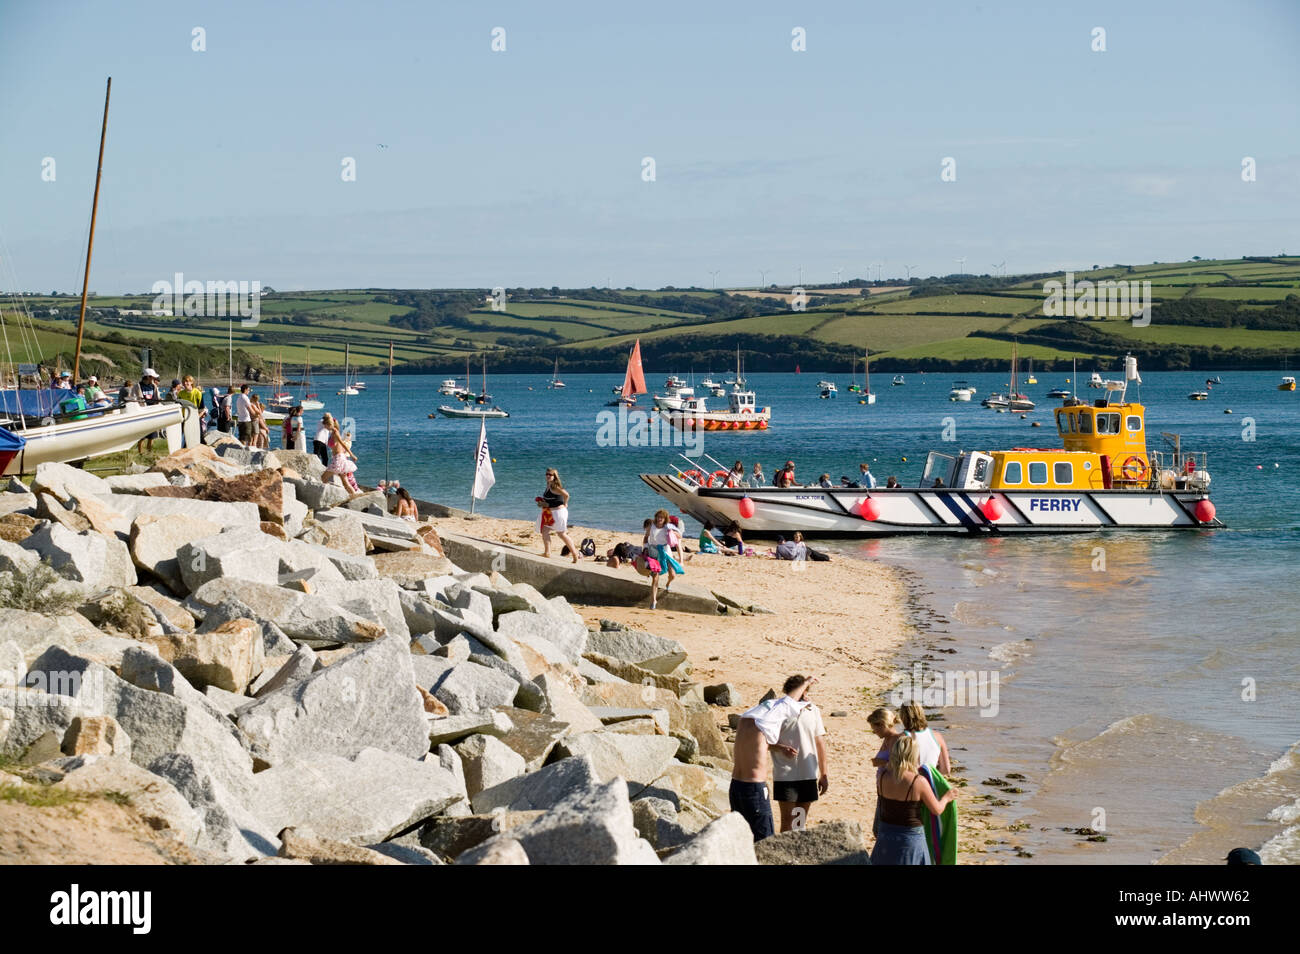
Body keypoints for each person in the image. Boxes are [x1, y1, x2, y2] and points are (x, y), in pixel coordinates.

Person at [730, 678, 816, 842]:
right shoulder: (768, 720)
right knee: (765, 843)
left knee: (742, 841)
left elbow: (759, 744)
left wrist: (779, 747)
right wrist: (806, 683)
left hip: (736, 787)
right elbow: (787, 703)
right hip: (753, 789)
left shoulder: (747, 719)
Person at [872, 735, 954, 865]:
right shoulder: (918, 781)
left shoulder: (882, 777)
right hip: (910, 838)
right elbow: (936, 810)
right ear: (913, 755)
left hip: (886, 835)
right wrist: (947, 798)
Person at [771, 675, 829, 833]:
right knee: (787, 822)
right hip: (785, 774)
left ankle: (796, 856)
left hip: (808, 773)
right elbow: (765, 741)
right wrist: (780, 747)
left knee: (800, 822)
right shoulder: (778, 710)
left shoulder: (813, 710)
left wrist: (824, 774)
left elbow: (820, 743)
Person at [869, 706, 905, 835]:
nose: (874, 732)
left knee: (881, 830)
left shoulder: (897, 740)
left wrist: (882, 763)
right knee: (878, 829)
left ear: (883, 725)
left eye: (875, 729)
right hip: (883, 790)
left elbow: (903, 767)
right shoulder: (886, 739)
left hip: (892, 791)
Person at [644, 509, 685, 609]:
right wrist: (645, 548)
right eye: (658, 517)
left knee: (672, 575)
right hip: (654, 552)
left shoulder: (668, 526)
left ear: (665, 519)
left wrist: (672, 533)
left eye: (661, 518)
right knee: (655, 577)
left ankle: (668, 584)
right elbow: (646, 537)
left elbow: (680, 536)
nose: (659, 519)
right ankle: (654, 600)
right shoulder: (651, 526)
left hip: (666, 551)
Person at [899, 700, 951, 775]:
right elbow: (946, 769)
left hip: (912, 782)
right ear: (921, 714)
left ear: (903, 717)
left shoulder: (901, 738)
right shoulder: (937, 736)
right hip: (930, 783)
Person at [537, 468, 578, 564]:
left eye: (550, 475)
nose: (548, 476)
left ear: (554, 477)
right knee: (544, 530)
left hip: (559, 513)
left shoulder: (554, 486)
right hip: (551, 512)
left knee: (562, 534)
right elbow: (552, 499)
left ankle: (575, 555)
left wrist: (565, 503)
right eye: (546, 474)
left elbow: (566, 495)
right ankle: (547, 552)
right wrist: (543, 502)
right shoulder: (548, 485)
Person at [324, 416, 359, 491]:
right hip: (337, 458)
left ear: (329, 425)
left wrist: (352, 455)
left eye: (325, 425)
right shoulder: (332, 433)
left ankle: (330, 493)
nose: (324, 426)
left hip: (338, 459)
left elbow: (343, 444)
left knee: (323, 478)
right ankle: (353, 495)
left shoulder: (335, 433)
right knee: (345, 482)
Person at [135, 368, 162, 453]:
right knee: (142, 436)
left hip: (153, 412)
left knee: (152, 436)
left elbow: (157, 397)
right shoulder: (138, 386)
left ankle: (149, 452)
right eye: (153, 377)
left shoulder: (153, 386)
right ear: (148, 377)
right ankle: (140, 453)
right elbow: (132, 398)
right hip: (142, 413)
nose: (154, 379)